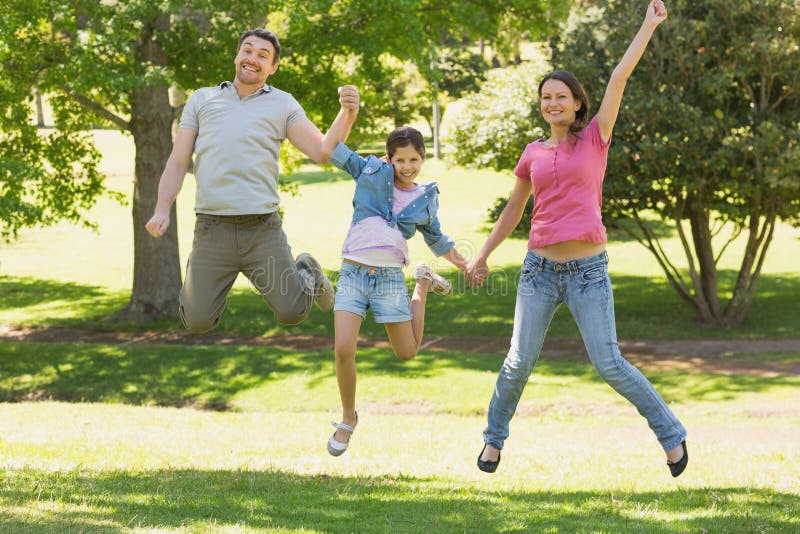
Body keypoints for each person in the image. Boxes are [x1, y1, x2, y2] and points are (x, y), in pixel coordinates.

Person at [466, 0, 688, 477]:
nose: (553, 103)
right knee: (517, 362)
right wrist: (482, 256)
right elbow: (514, 208)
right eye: (546, 97)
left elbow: (618, 77)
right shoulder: (532, 153)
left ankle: (672, 436)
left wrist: (648, 25)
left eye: (561, 96)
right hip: (539, 271)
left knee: (609, 364)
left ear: (577, 102)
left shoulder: (595, 137)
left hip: (589, 271)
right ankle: (492, 441)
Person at [145, 28, 360, 331]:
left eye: (263, 55)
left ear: (273, 67)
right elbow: (178, 160)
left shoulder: (283, 104)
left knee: (292, 311)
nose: (252, 58)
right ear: (237, 55)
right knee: (196, 320)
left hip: (262, 230)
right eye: (247, 50)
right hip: (212, 229)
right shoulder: (202, 99)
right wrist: (161, 209)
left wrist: (347, 114)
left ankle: (309, 271)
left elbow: (322, 151)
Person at [324, 126, 468, 456]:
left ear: (423, 158)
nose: (407, 166)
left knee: (407, 352)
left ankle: (422, 284)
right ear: (388, 158)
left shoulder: (425, 198)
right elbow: (331, 146)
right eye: (400, 159)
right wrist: (348, 114)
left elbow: (438, 240)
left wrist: (466, 266)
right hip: (353, 273)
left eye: (414, 159)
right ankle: (348, 419)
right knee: (343, 348)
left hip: (389, 278)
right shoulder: (369, 170)